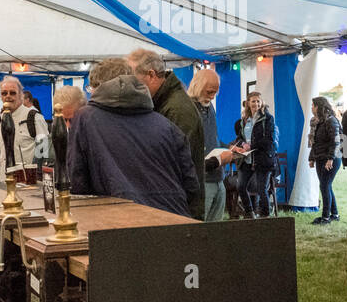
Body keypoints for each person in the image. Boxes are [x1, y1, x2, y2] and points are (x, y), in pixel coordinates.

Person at [67, 58, 199, 216]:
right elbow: (191, 184)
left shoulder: (85, 119)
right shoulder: (166, 125)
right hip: (175, 219)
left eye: (90, 89)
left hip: (121, 223)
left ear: (98, 88)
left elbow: (77, 181)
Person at [127, 49, 204, 218]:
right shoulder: (166, 103)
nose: (130, 85)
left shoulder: (177, 109)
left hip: (178, 211)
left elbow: (180, 168)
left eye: (133, 79)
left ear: (151, 75)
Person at [188, 69, 235, 222]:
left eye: (215, 92)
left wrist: (229, 148)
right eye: (209, 92)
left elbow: (213, 139)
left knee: (216, 229)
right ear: (198, 86)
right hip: (202, 181)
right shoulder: (188, 110)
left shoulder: (209, 107)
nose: (212, 96)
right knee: (201, 229)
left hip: (218, 178)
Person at [0, 76, 48, 173]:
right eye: (4, 93)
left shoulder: (34, 117)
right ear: (1, 97)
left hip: (27, 181)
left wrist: (36, 177)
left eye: (12, 93)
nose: (8, 96)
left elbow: (44, 153)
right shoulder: (0, 120)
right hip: (3, 179)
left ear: (21, 95)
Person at [236, 91, 277, 218]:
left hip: (262, 159)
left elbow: (269, 140)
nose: (256, 103)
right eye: (253, 101)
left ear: (262, 102)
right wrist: (242, 144)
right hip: (247, 159)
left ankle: (265, 215)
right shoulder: (244, 120)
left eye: (258, 101)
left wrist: (251, 146)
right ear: (248, 103)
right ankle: (249, 212)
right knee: (241, 186)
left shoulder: (268, 118)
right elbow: (240, 137)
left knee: (261, 190)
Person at [307, 96, 342, 224]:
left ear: (318, 106)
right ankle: (335, 214)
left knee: (324, 185)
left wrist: (330, 159)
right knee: (326, 186)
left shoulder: (331, 120)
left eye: (313, 105)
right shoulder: (317, 122)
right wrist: (311, 158)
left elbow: (336, 141)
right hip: (320, 158)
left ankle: (325, 217)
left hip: (332, 158)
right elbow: (314, 142)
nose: (311, 107)